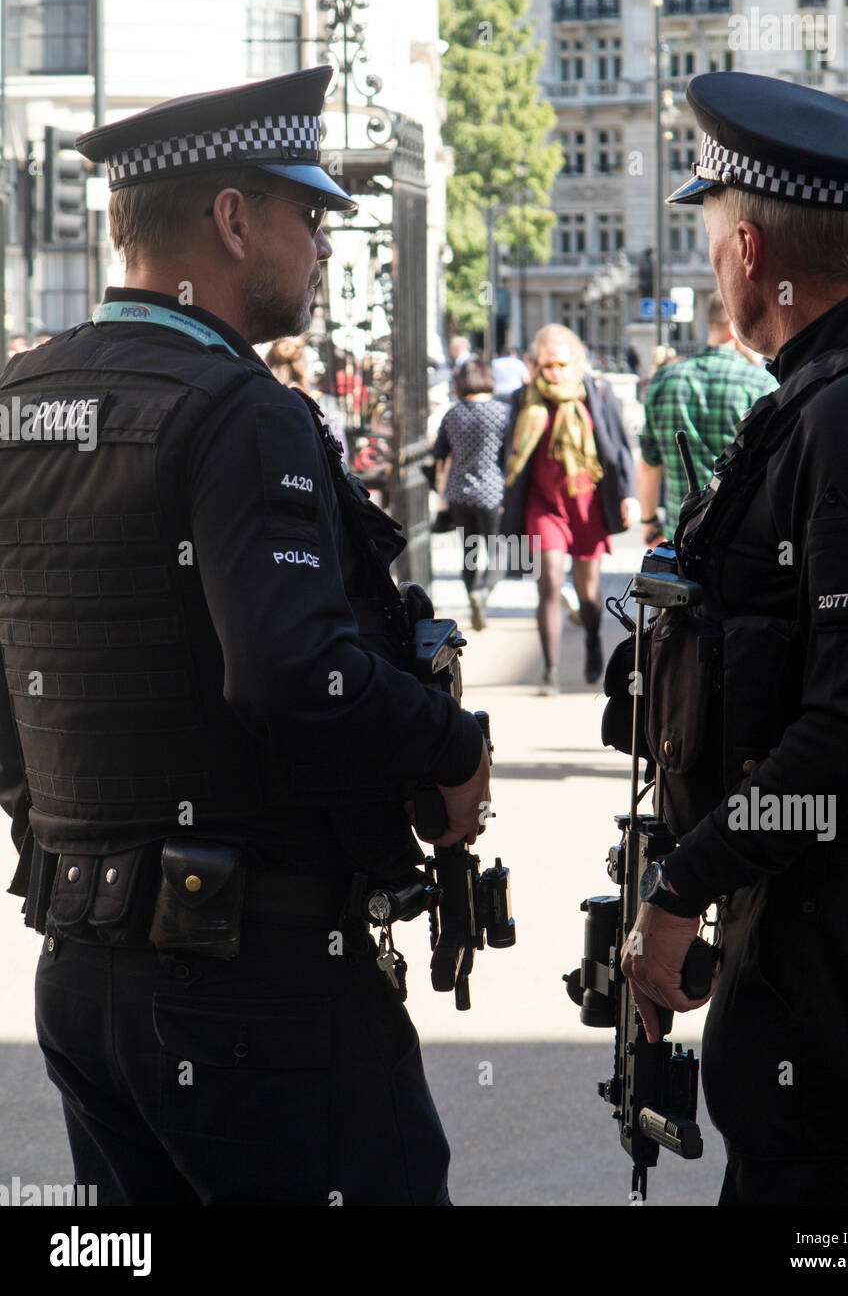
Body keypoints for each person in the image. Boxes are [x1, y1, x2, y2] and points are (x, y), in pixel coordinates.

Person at [1, 66, 491, 1206]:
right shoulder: (241, 411)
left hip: (80, 970)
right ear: (232, 219)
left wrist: (69, 828)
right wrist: (447, 744)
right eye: (306, 213)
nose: (322, 244)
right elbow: (292, 670)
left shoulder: (23, 404)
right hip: (251, 983)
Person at [620, 70, 848, 1205]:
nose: (715, 261)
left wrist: (683, 885)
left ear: (752, 250)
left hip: (847, 917)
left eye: (717, 233)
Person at [501, 324, 638, 695]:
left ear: (575, 361)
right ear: (535, 365)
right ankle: (551, 670)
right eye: (546, 366)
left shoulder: (598, 392)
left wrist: (628, 494)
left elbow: (619, 448)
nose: (554, 373)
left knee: (590, 595)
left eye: (561, 364)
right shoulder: (522, 398)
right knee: (549, 583)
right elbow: (509, 452)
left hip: (587, 502)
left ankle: (593, 638)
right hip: (543, 503)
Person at [638, 290, 777, 544]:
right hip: (741, 538)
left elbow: (649, 463)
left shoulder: (663, 381)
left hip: (681, 534)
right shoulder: (761, 384)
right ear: (736, 328)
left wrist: (648, 521)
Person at [432, 355, 511, 630]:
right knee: (500, 552)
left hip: (459, 492)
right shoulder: (503, 412)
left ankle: (472, 595)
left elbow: (439, 454)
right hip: (493, 491)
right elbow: (509, 455)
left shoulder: (453, 413)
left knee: (469, 553)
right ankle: (484, 592)